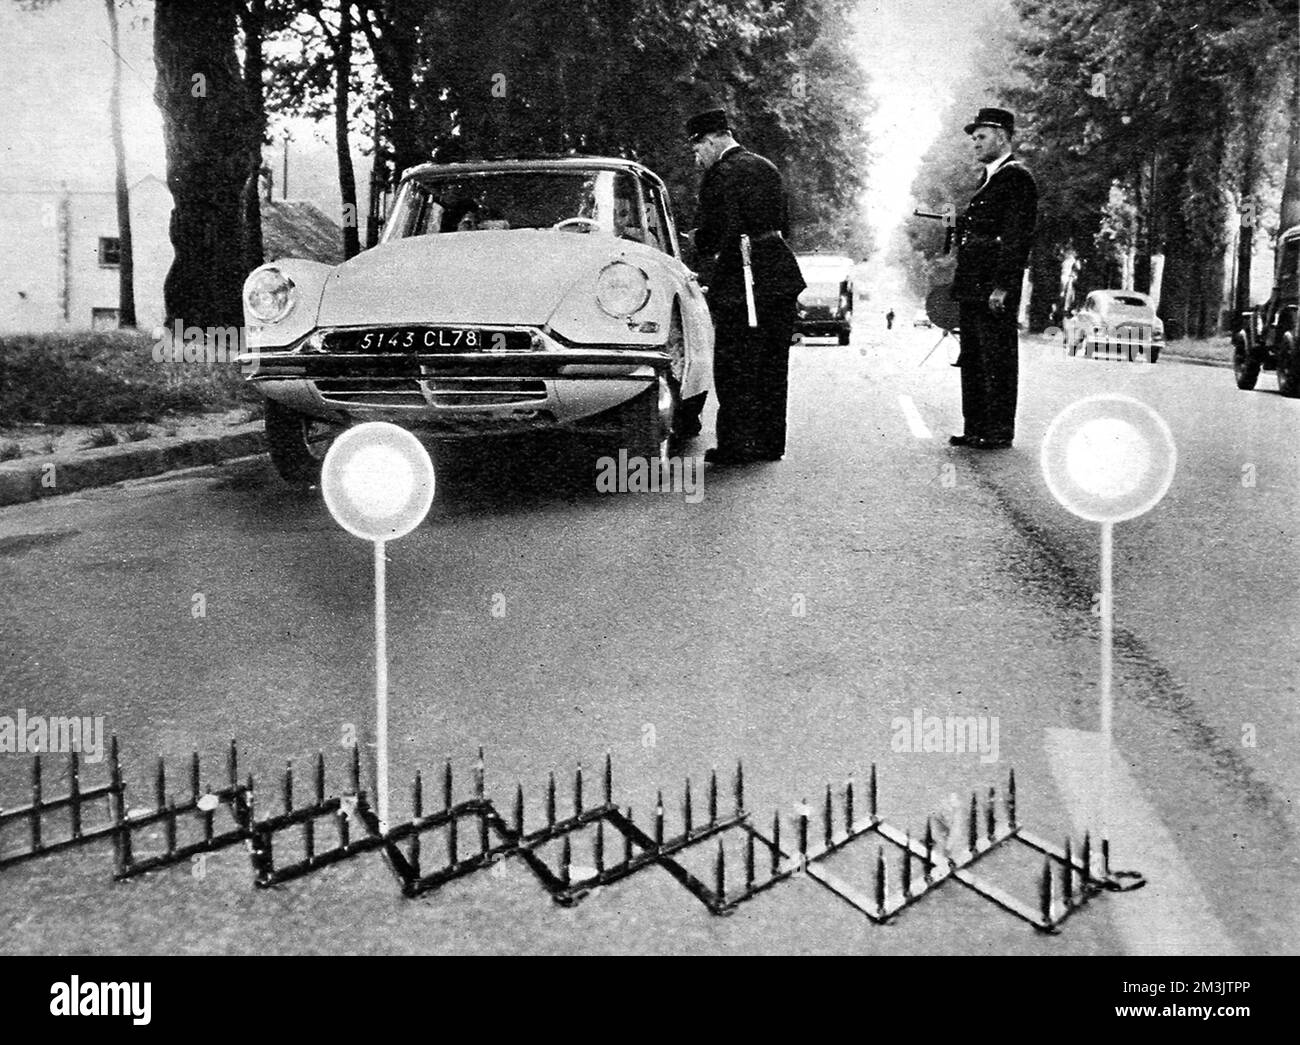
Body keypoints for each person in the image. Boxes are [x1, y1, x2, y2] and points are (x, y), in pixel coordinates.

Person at [688, 107, 806, 464]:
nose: (697, 158)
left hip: (743, 277)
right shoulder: (768, 167)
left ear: (709, 141)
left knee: (734, 364)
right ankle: (770, 444)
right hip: (778, 273)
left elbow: (715, 233)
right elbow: (784, 223)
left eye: (696, 150)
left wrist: (699, 241)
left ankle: (737, 445)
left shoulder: (721, 173)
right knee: (772, 363)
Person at [948, 107, 1037, 449]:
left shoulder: (1016, 177)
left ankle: (998, 430)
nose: (975, 143)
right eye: (973, 138)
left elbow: (1016, 236)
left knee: (996, 356)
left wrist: (1004, 285)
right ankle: (975, 427)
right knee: (973, 356)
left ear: (1001, 137)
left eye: (981, 136)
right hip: (973, 284)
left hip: (992, 286)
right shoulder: (989, 178)